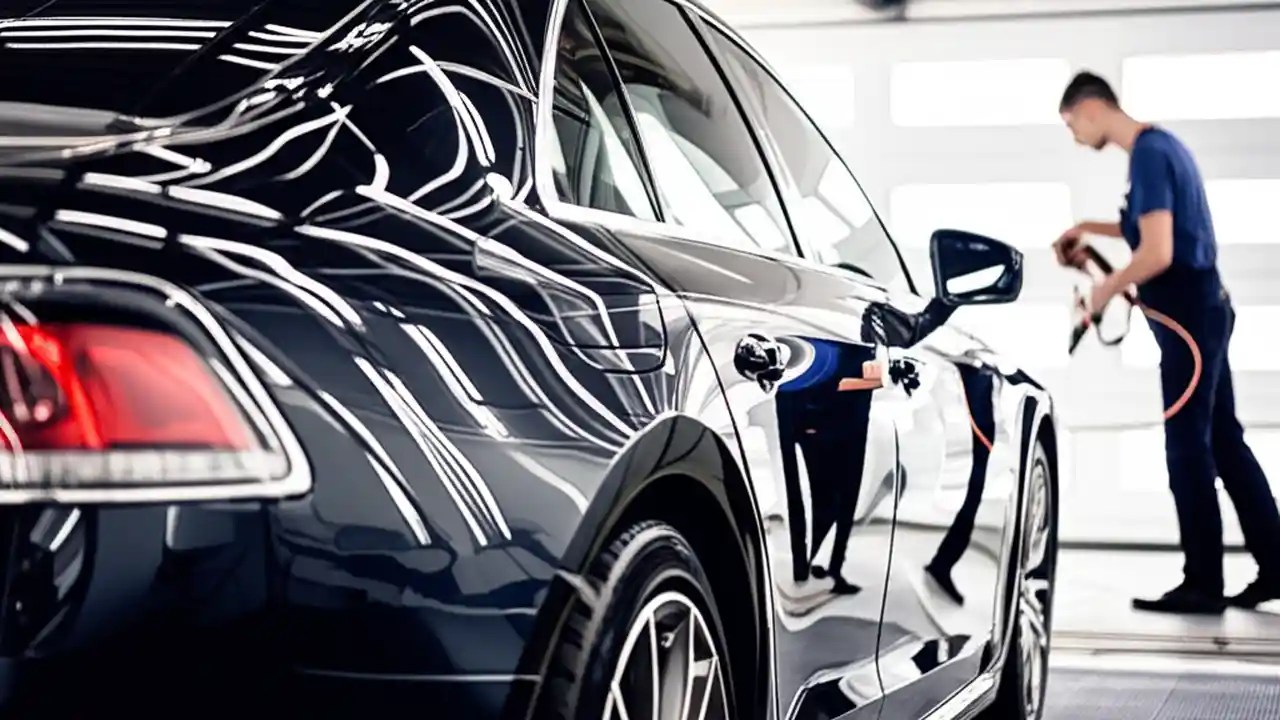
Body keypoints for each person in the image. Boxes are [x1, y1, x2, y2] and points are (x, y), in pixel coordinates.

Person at [1054, 70, 1280, 614]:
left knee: (1187, 449)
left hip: (1188, 324)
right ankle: (1275, 565)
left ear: (1089, 110)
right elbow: (1148, 227)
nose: (1075, 138)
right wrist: (1089, 228)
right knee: (1223, 439)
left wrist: (1105, 289)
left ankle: (1202, 584)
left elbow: (1158, 252)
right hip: (1201, 313)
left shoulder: (1150, 154)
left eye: (1071, 126)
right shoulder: (1159, 148)